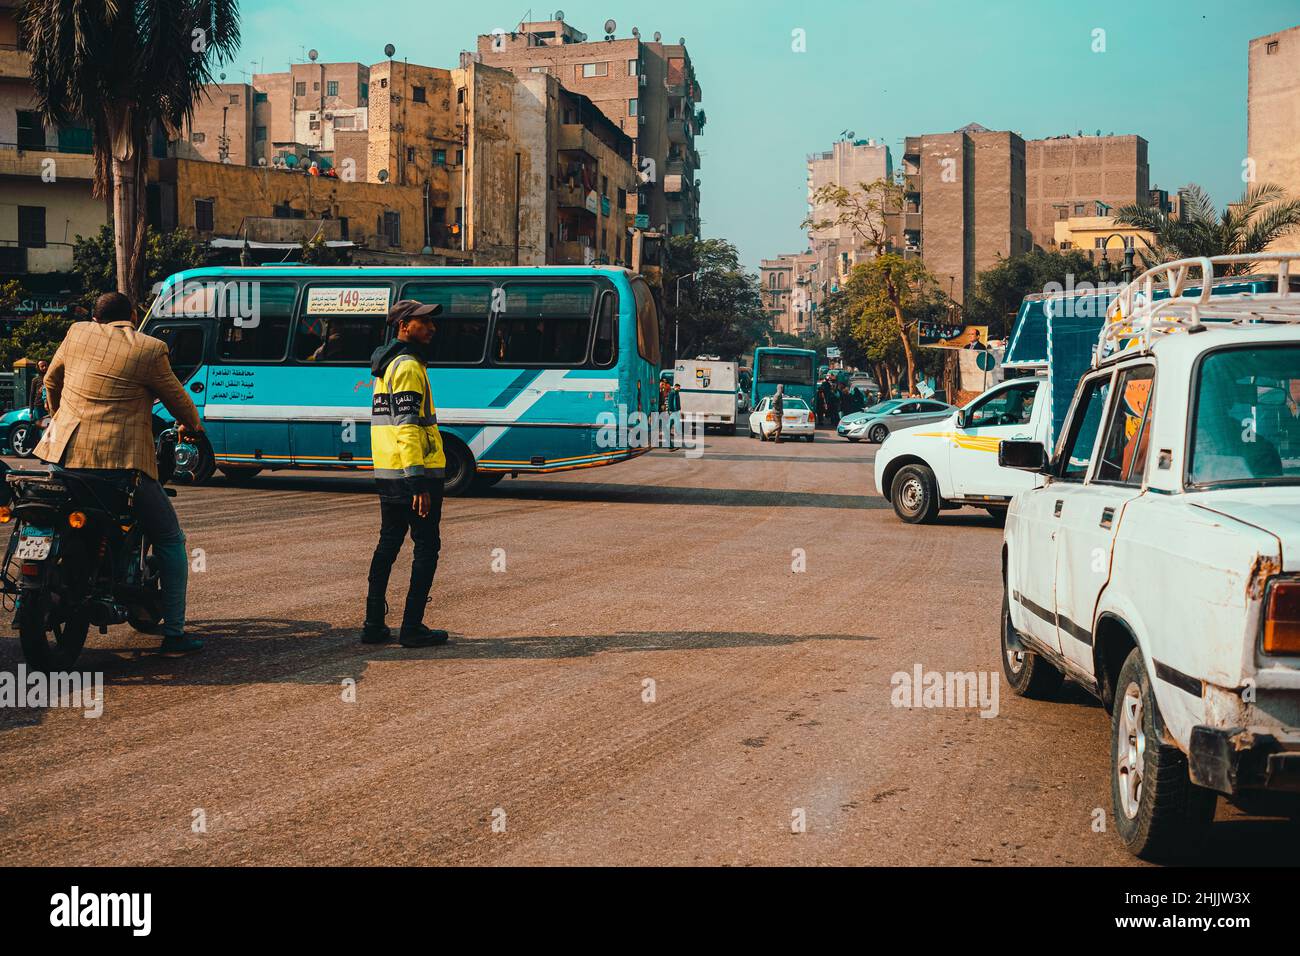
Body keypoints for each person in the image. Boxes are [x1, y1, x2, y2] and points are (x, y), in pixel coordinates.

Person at [33, 292, 205, 655]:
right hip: (119, 466)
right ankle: (174, 634)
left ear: (95, 319)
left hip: (61, 458)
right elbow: (178, 400)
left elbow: (51, 380)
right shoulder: (150, 348)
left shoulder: (77, 333)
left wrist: (59, 417)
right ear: (133, 314)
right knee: (171, 539)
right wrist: (193, 426)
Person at [363, 299, 451, 648]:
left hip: (389, 471)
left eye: (432, 322)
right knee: (427, 547)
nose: (432, 328)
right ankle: (412, 627)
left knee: (388, 544)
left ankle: (373, 623)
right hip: (415, 474)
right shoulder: (409, 366)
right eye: (423, 322)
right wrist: (418, 480)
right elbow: (407, 425)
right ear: (403, 326)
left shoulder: (386, 366)